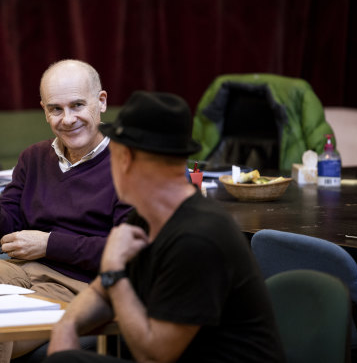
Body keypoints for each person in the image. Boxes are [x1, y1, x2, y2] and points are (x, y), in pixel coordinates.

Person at [44, 91, 286, 363]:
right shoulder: (146, 218)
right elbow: (101, 291)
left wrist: (114, 272)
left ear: (124, 158)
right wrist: (66, 327)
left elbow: (155, 355)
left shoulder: (198, 237)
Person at [0, 59, 132, 362]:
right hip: (23, 272)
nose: (68, 119)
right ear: (44, 110)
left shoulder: (127, 164)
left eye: (77, 105)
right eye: (55, 109)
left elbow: (124, 253)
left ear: (101, 102)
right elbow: (1, 235)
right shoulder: (33, 157)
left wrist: (48, 243)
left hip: (87, 286)